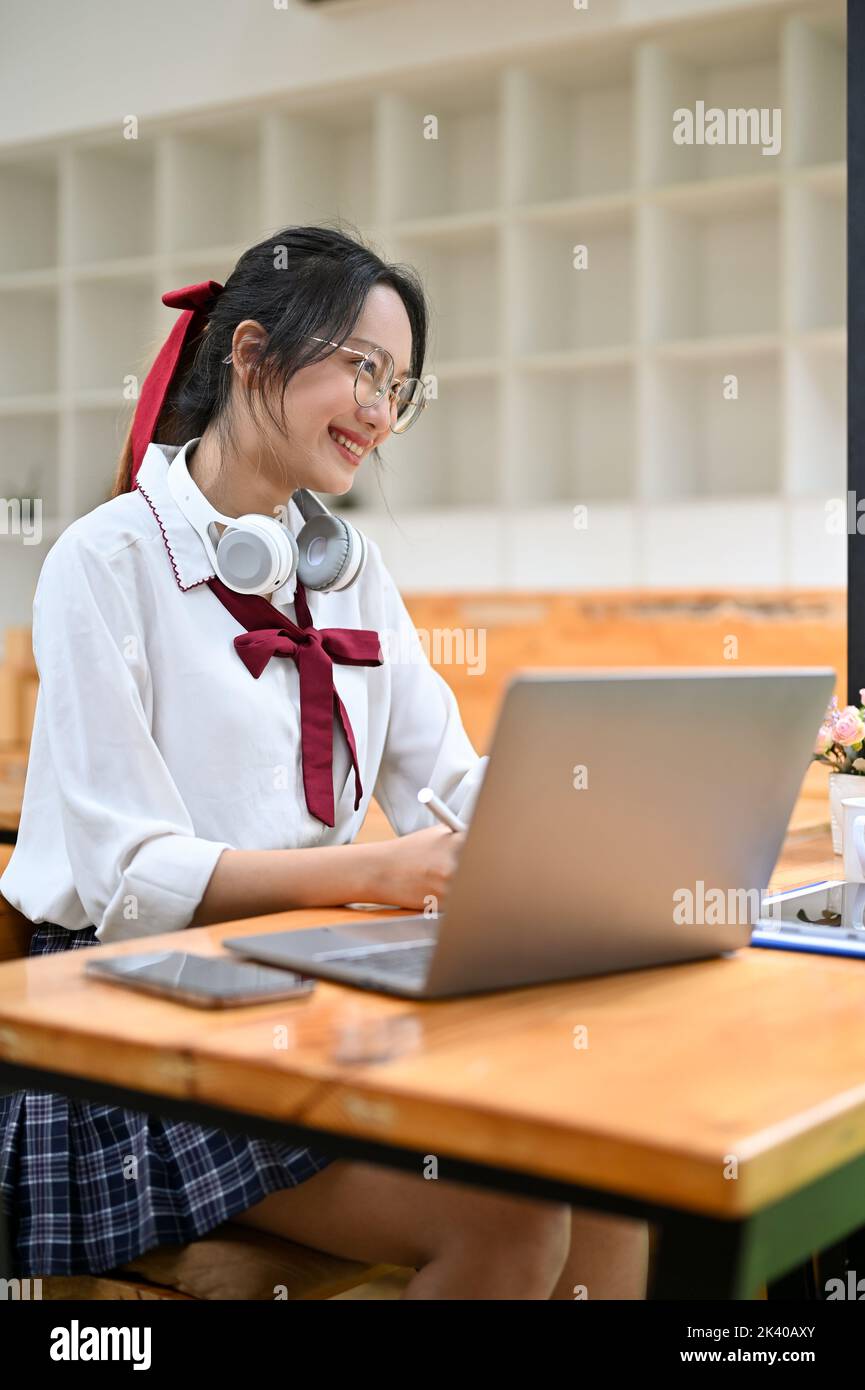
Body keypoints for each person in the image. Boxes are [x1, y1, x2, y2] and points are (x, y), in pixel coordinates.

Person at [0, 224, 648, 1298]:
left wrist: (584, 833)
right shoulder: (102, 563)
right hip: (128, 1038)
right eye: (362, 370)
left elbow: (445, 773)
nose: (383, 413)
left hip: (304, 999)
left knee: (623, 1175)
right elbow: (127, 877)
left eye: (402, 387)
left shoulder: (347, 571)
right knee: (512, 1216)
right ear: (250, 352)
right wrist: (368, 875)